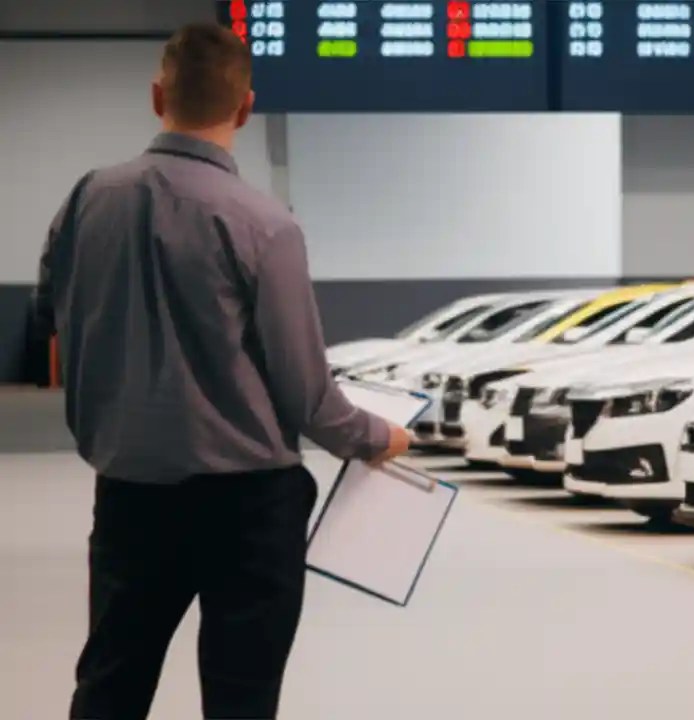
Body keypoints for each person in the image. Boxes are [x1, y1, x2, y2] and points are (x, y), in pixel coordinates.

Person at [32, 23, 414, 720]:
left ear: (157, 97)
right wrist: (376, 436)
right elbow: (305, 394)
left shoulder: (85, 202)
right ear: (244, 108)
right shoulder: (265, 225)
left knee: (110, 687)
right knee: (241, 700)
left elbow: (47, 314)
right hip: (248, 509)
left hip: (129, 498)